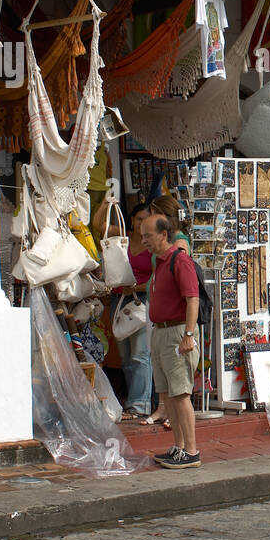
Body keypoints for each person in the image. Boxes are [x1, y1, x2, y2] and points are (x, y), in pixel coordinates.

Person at [140, 212, 204, 469]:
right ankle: (179, 447)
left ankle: (191, 450)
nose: (144, 240)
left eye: (148, 235)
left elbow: (192, 298)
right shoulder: (160, 261)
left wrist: (188, 334)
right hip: (161, 331)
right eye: (142, 235)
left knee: (180, 393)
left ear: (163, 234)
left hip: (177, 332)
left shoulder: (180, 260)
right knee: (168, 395)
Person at [99, 199, 156, 422]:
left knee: (140, 354)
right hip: (120, 300)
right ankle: (135, 401)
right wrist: (106, 203)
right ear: (132, 220)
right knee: (125, 356)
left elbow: (155, 277)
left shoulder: (152, 243)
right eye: (139, 219)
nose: (142, 223)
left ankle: (140, 404)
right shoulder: (123, 233)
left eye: (146, 219)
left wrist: (137, 287)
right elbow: (99, 225)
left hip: (141, 300)